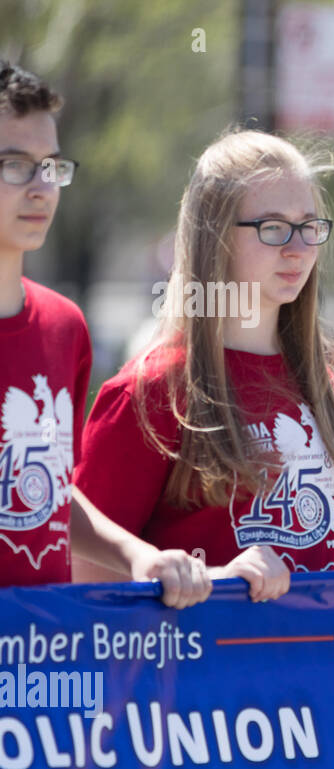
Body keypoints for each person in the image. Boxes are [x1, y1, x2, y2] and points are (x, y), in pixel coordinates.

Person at [74, 129, 334, 598]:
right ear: (215, 237)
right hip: (210, 668)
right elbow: (86, 581)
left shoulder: (315, 381)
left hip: (323, 665)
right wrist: (218, 582)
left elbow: (321, 555)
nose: (298, 248)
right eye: (272, 227)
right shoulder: (154, 389)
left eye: (309, 226)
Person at [0, 60, 207, 607]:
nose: (44, 187)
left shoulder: (64, 326)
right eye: (16, 166)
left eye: (52, 166)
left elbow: (49, 491)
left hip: (42, 660)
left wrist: (136, 554)